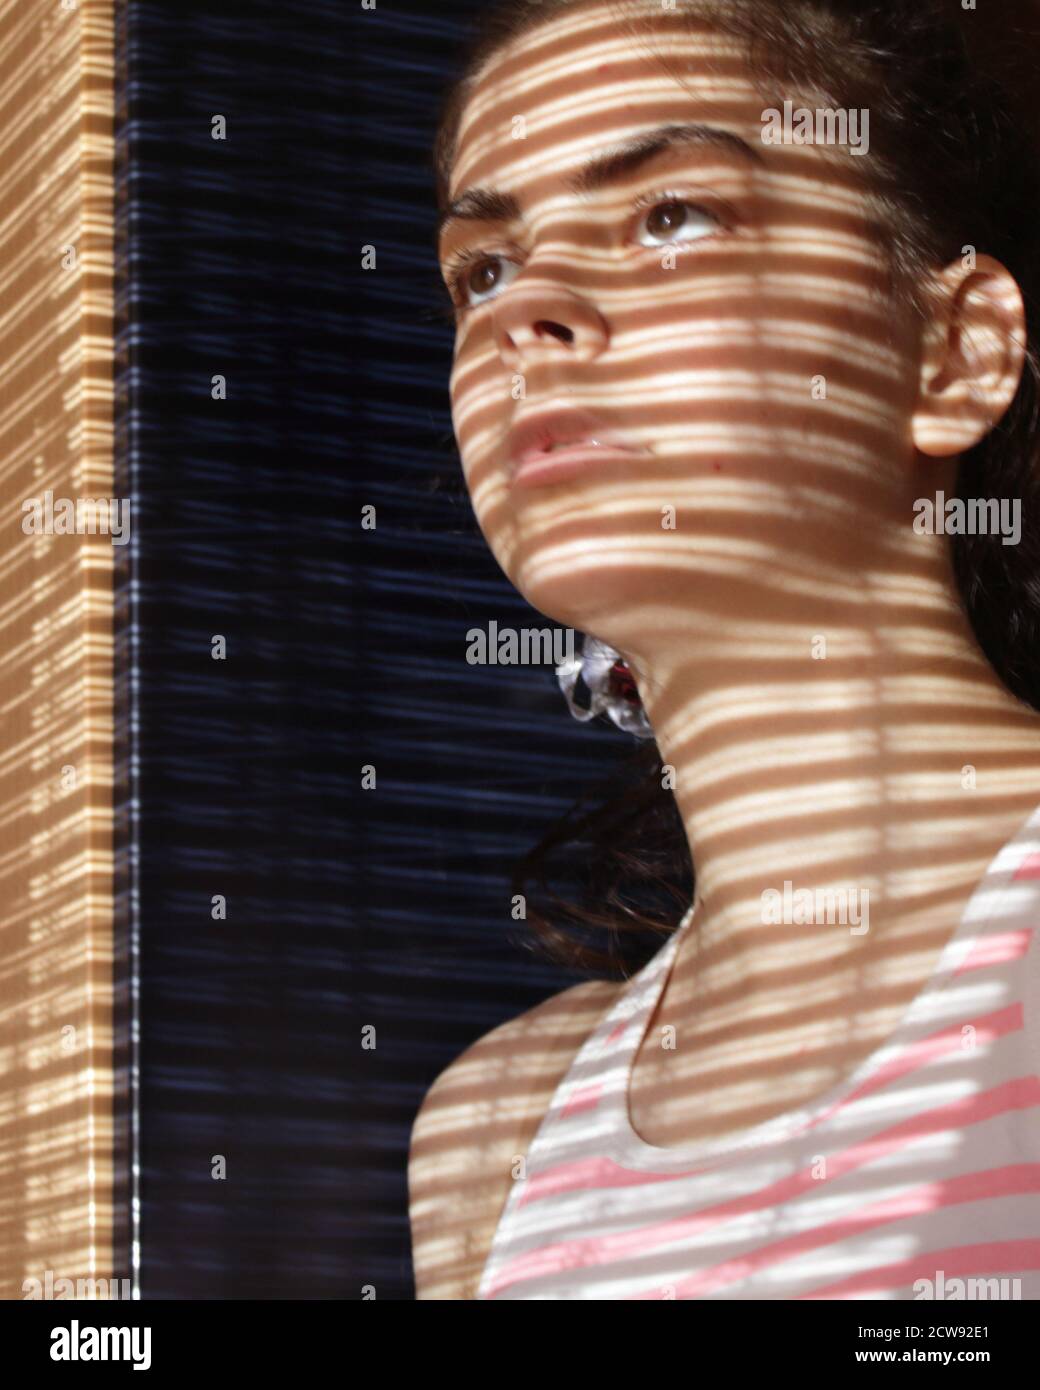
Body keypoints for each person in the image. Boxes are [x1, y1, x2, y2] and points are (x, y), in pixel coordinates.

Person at [409, 0, 1040, 1299]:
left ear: (954, 352)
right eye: (483, 267)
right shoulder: (493, 1131)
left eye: (670, 214)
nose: (526, 310)